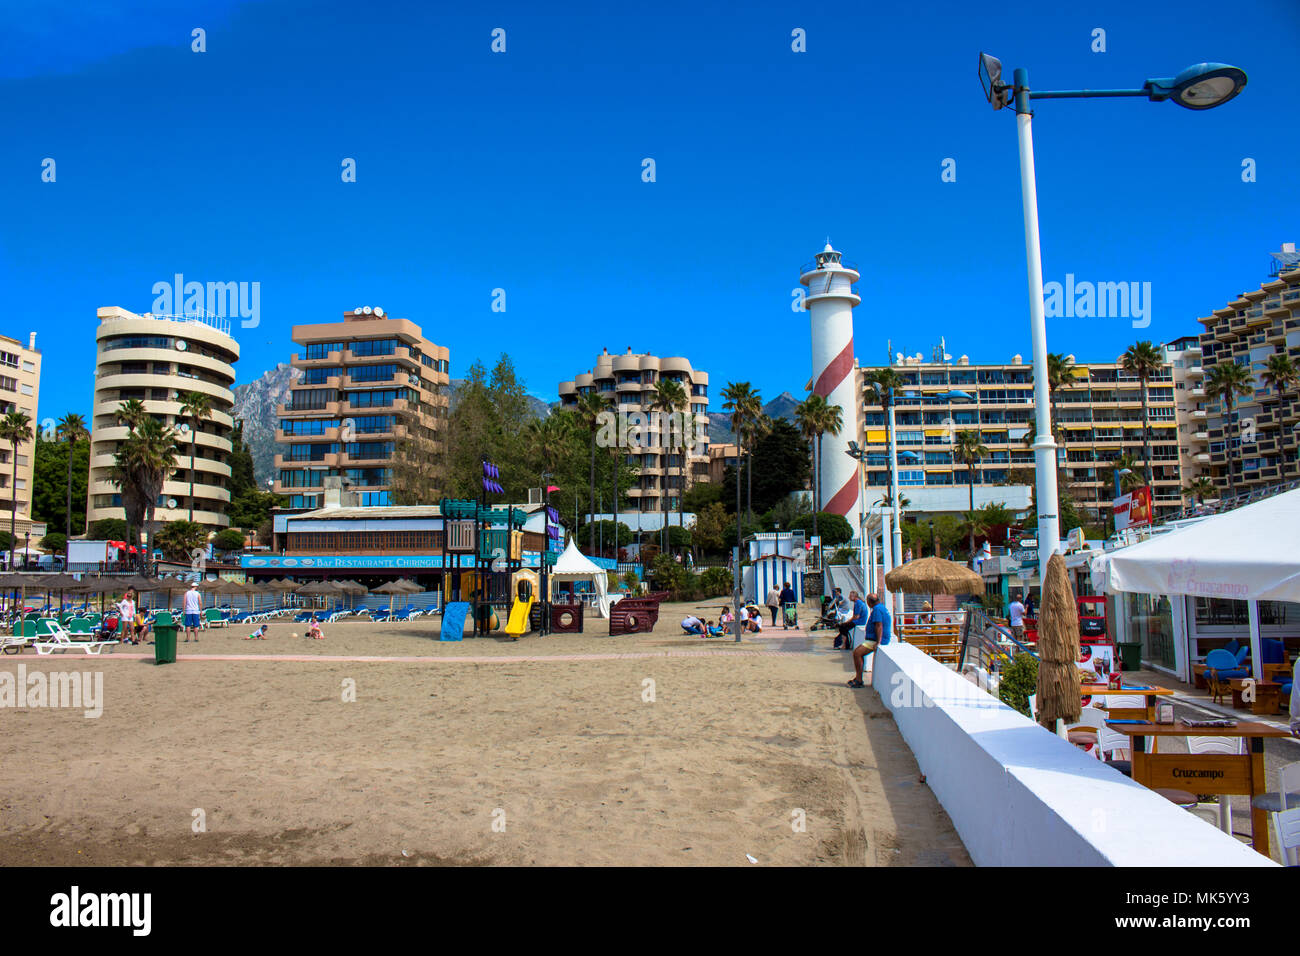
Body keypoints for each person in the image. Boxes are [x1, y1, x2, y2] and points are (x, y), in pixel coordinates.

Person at [849, 592, 891, 688]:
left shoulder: (876, 610)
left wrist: (878, 642)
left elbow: (879, 625)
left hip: (876, 640)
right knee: (858, 653)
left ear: (869, 602)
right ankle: (858, 678)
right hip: (876, 638)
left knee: (857, 653)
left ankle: (859, 680)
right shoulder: (881, 607)